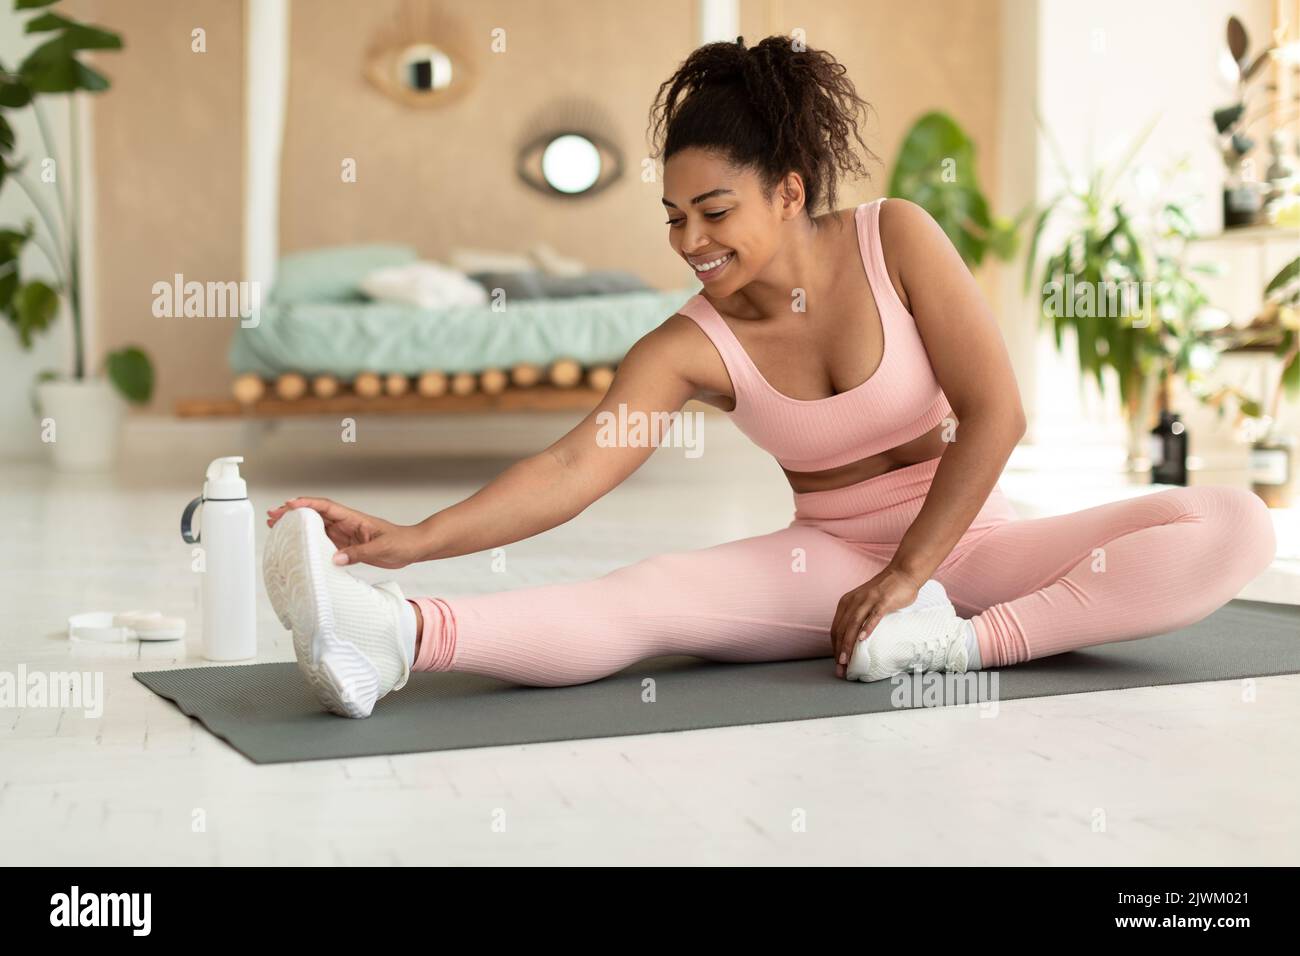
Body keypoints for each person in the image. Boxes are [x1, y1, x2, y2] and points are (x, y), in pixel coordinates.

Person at [264, 36, 1276, 718]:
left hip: (980, 540)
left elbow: (995, 412)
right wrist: (413, 542)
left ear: (787, 191)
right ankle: (392, 639)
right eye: (671, 215)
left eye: (713, 209)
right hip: (829, 565)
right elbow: (575, 465)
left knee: (1234, 525)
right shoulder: (685, 344)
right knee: (648, 594)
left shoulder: (898, 238)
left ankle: (966, 649)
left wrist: (914, 580)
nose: (689, 239)